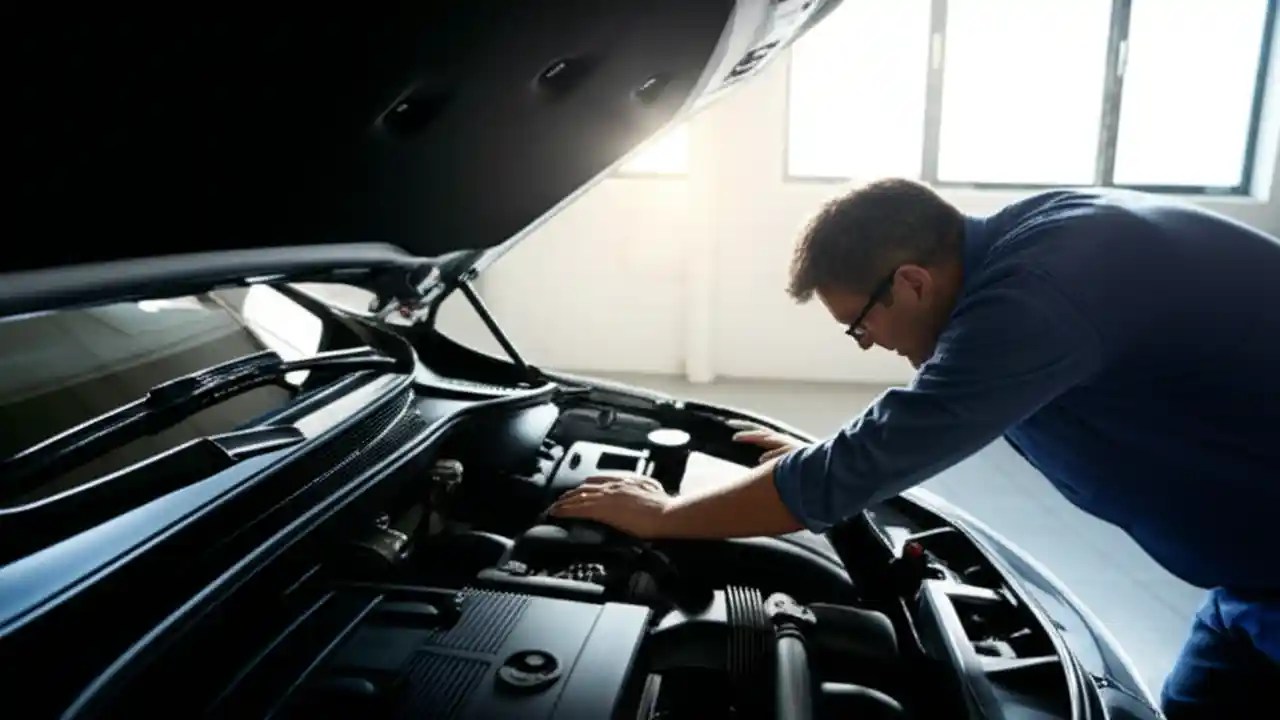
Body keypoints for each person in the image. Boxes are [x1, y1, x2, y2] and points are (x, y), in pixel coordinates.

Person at [548, 179, 1280, 717]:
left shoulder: (1041, 291)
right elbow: (912, 426)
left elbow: (878, 453)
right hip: (1251, 584)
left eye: (861, 326)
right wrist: (815, 464)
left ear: (910, 281)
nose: (872, 345)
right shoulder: (1031, 247)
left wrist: (666, 516)